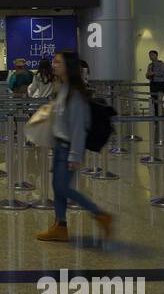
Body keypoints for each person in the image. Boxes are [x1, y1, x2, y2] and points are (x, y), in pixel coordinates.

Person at [36, 50, 114, 242]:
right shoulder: (63, 88)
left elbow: (79, 127)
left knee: (63, 188)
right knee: (57, 187)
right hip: (60, 145)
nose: (53, 65)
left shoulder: (75, 94)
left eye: (57, 62)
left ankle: (100, 214)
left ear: (68, 66)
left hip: (68, 148)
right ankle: (60, 225)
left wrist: (75, 155)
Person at [146, 50, 164, 140]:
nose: (151, 56)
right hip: (153, 84)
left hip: (160, 84)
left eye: (152, 55)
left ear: (156, 55)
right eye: (149, 55)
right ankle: (156, 116)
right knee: (153, 100)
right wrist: (148, 75)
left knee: (158, 100)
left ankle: (160, 115)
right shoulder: (150, 65)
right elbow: (147, 75)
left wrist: (154, 73)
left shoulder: (161, 64)